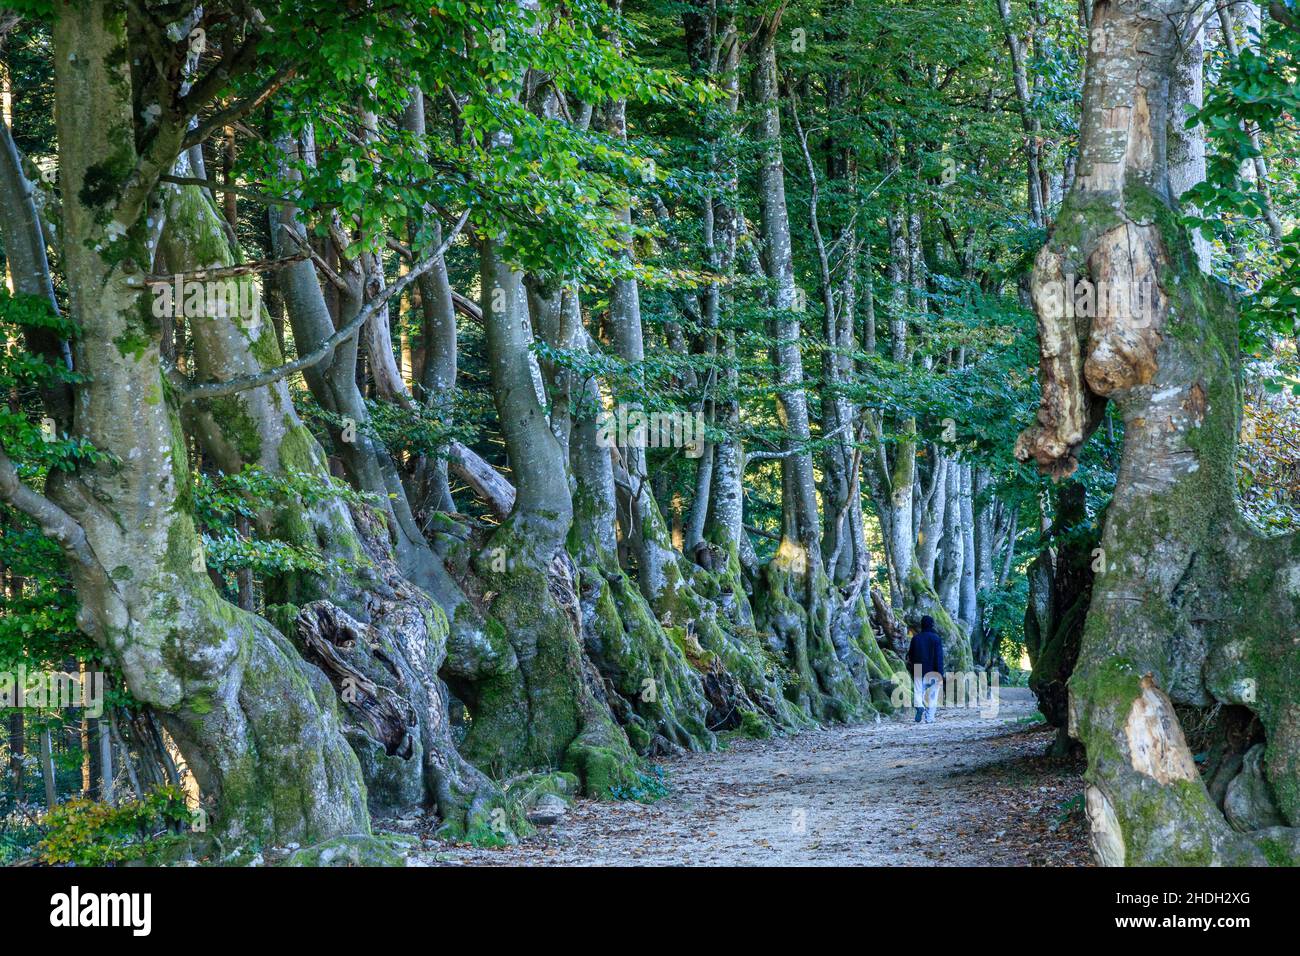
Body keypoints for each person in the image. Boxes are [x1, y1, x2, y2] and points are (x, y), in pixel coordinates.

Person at [906, 615, 944, 724]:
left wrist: (912, 668)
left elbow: (911, 656)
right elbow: (939, 657)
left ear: (921, 625)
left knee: (918, 692)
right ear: (932, 625)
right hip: (934, 670)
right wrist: (940, 673)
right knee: (933, 695)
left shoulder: (915, 638)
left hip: (918, 668)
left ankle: (920, 706)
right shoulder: (936, 638)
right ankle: (929, 718)